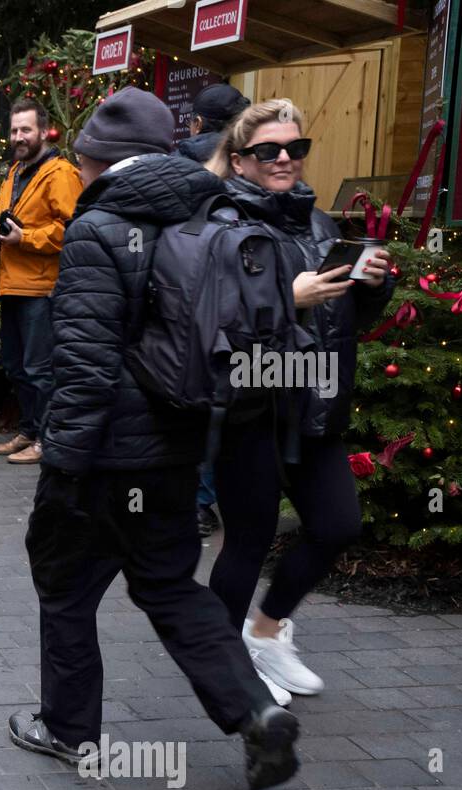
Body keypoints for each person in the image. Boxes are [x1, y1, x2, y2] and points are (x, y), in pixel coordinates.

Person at [12, 87, 301, 790]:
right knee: (170, 585)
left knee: (67, 587)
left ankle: (68, 727)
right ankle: (255, 710)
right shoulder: (211, 208)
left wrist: (64, 464)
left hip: (106, 453)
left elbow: (84, 363)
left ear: (92, 159)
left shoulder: (98, 225)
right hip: (178, 443)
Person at [204, 99, 393, 700]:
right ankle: (226, 665)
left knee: (337, 526)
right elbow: (215, 320)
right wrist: (290, 296)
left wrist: (370, 287)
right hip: (252, 408)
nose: (285, 158)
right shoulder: (221, 222)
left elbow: (343, 322)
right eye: (268, 150)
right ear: (239, 160)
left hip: (314, 401)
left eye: (295, 147)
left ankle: (264, 631)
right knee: (249, 537)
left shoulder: (316, 224)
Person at [0, 98, 82, 464]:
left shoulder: (61, 173)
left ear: (44, 131)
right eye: (15, 130)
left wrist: (28, 239)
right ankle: (30, 430)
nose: (19, 136)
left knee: (40, 369)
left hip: (40, 287)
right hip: (12, 285)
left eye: (26, 130)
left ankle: (48, 441)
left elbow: (73, 227)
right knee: (17, 366)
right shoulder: (15, 171)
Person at [175, 82, 249, 538]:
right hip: (246, 298)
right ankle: (225, 497)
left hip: (192, 296)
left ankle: (197, 503)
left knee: (198, 401)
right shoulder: (256, 162)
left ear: (198, 123)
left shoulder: (179, 162)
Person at [176, 83, 250, 165]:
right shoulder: (252, 160)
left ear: (198, 124)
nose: (189, 127)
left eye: (189, 123)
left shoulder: (177, 161)